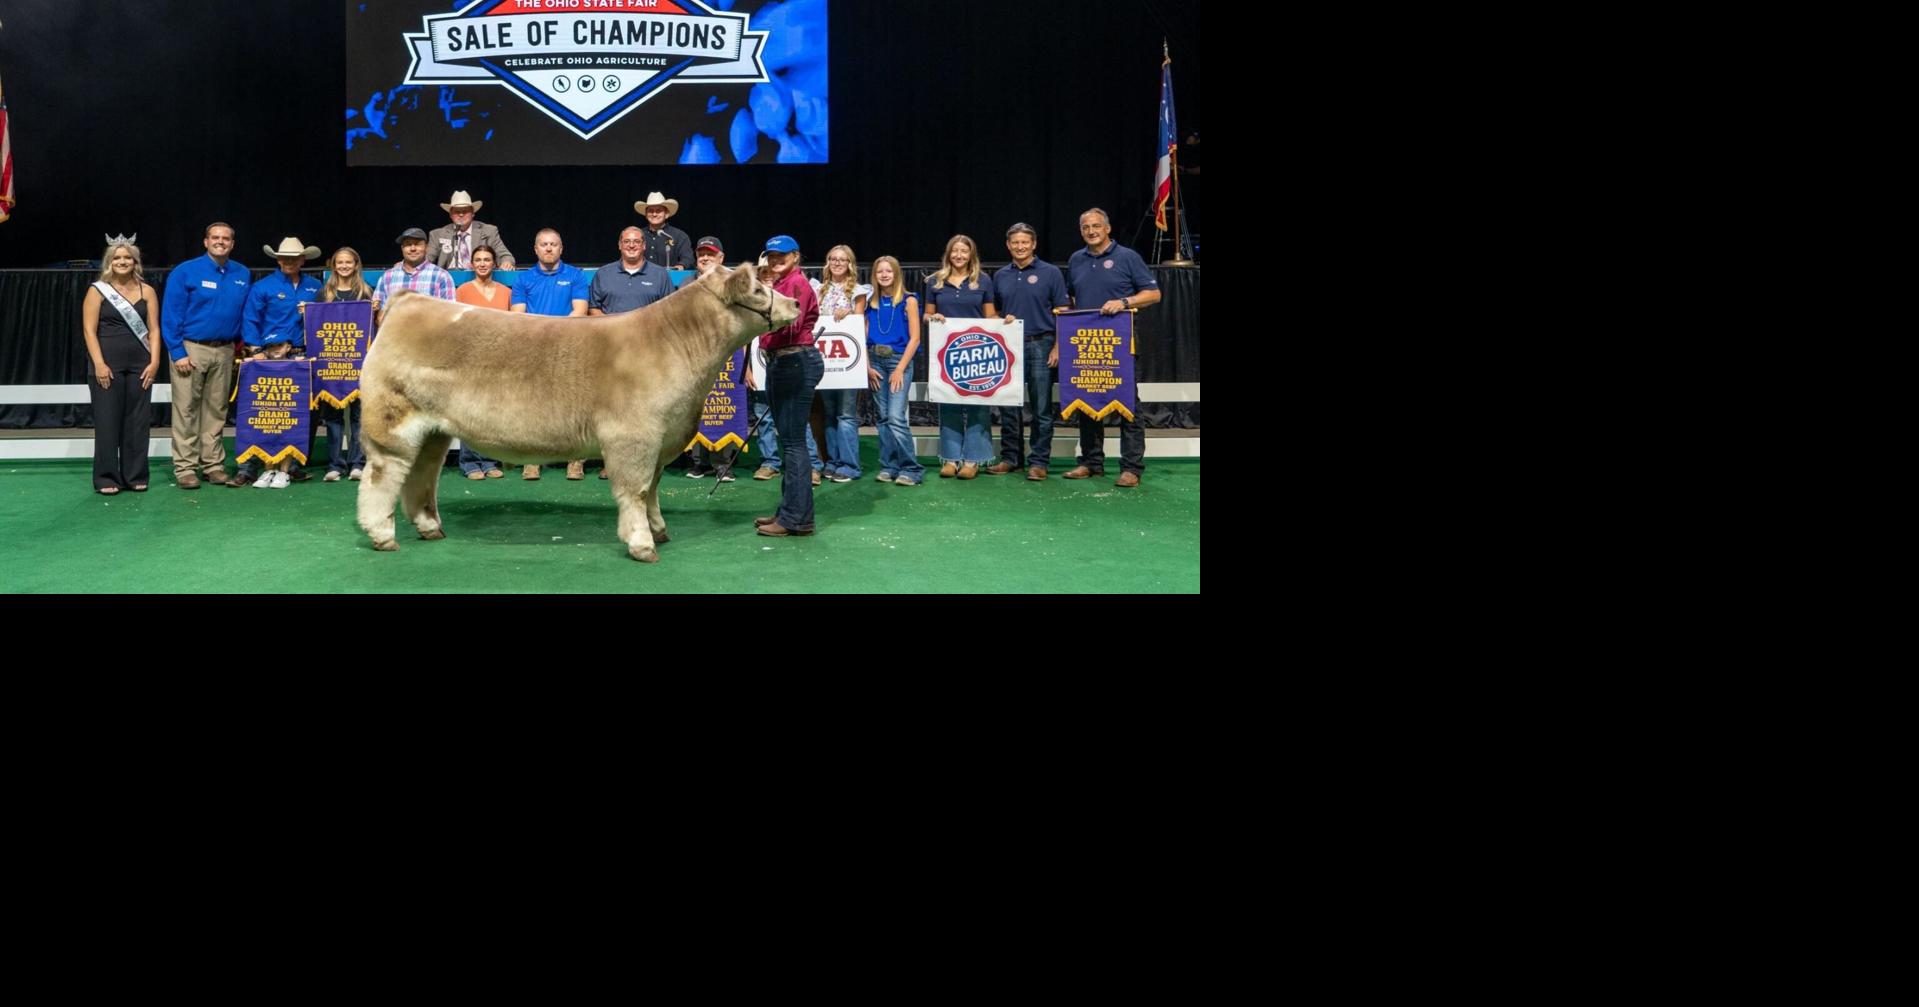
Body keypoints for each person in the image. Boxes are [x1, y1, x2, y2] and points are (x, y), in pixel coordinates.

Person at [1060, 208, 1161, 487]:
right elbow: (1071, 298)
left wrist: (1125, 302)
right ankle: (1091, 462)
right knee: (1087, 398)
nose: (1091, 231)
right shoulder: (1076, 259)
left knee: (1128, 403)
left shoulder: (1127, 257)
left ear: (1108, 229)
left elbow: (1153, 294)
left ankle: (1131, 467)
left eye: (1096, 226)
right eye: (1085, 227)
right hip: (1085, 342)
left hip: (1119, 342)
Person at [162, 222, 251, 489]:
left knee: (217, 410)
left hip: (224, 350)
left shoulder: (242, 273)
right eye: (215, 237)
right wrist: (177, 351)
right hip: (191, 348)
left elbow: (244, 313)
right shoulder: (185, 271)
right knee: (186, 408)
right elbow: (171, 314)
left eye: (226, 238)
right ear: (205, 241)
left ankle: (212, 465)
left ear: (232, 244)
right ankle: (185, 468)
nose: (220, 242)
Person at [233, 237, 323, 488]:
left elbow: (325, 319)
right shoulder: (263, 287)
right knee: (260, 410)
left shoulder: (315, 287)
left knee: (300, 412)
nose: (289, 261)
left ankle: (292, 466)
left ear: (303, 259)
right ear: (277, 259)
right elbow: (250, 319)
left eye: (294, 257)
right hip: (269, 356)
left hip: (301, 354)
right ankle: (249, 467)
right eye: (284, 257)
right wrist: (256, 349)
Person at [751, 234, 822, 537]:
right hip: (784, 361)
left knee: (793, 444)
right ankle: (789, 510)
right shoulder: (781, 285)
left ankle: (797, 519)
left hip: (795, 361)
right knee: (790, 442)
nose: (776, 260)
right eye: (771, 256)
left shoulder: (794, 285)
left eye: (782, 255)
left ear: (795, 256)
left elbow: (789, 324)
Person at [988, 222, 1070, 479]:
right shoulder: (1000, 275)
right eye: (1015, 242)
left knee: (1041, 407)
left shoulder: (1051, 273)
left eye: (1025, 242)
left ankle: (1039, 461)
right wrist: (1001, 320)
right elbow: (995, 312)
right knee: (1008, 405)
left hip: (1041, 343)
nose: (1020, 247)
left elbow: (1063, 312)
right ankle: (1011, 458)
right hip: (1009, 346)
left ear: (1033, 244)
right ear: (1008, 245)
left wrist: (1058, 346)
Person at [81, 236, 162, 494]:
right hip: (107, 365)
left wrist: (155, 361)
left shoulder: (146, 291)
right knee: (107, 422)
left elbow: (155, 330)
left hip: (141, 365)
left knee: (137, 421)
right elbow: (88, 330)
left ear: (135, 261)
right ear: (109, 262)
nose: (122, 261)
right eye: (117, 258)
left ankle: (135, 475)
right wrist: (99, 364)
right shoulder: (97, 291)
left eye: (127, 257)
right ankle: (106, 477)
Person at [510, 227, 589, 479]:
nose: (548, 248)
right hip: (533, 348)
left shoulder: (576, 276)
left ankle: (575, 460)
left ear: (561, 248)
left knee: (574, 404)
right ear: (535, 249)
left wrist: (555, 335)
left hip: (569, 348)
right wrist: (542, 337)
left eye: (553, 244)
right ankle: (532, 459)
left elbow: (580, 311)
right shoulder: (523, 279)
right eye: (543, 244)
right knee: (533, 404)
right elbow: (518, 316)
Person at [923, 233, 997, 479]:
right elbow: (927, 315)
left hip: (978, 353)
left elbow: (990, 316)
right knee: (949, 403)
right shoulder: (934, 281)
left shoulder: (984, 281)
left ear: (971, 255)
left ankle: (974, 460)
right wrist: (933, 318)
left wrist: (1005, 321)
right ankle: (951, 458)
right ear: (948, 254)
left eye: (964, 251)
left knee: (977, 405)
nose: (959, 255)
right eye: (955, 251)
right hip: (948, 353)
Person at [811, 244, 870, 482]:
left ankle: (849, 465)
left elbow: (859, 322)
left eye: (842, 260)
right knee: (830, 413)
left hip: (847, 361)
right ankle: (833, 462)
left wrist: (850, 314)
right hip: (825, 360)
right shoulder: (818, 289)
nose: (836, 263)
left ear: (849, 264)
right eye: (832, 259)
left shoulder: (857, 290)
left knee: (846, 414)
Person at [863, 255, 922, 486]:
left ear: (897, 274)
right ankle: (889, 465)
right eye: (880, 272)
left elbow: (915, 339)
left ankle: (912, 468)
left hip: (899, 361)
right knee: (883, 417)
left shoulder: (908, 301)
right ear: (875, 276)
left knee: (897, 417)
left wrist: (900, 368)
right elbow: (863, 337)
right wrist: (867, 366)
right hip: (875, 361)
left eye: (889, 271)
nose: (885, 275)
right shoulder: (870, 303)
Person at [451, 245, 511, 479]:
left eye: (487, 259)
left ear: (494, 263)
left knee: (493, 412)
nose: (483, 263)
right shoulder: (463, 291)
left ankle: (490, 461)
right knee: (470, 412)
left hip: (499, 359)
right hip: (471, 359)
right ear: (472, 264)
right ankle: (470, 462)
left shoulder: (505, 291)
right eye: (478, 260)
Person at [316, 246, 374, 482]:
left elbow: (374, 327)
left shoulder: (366, 292)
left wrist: (376, 311)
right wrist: (306, 312)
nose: (344, 266)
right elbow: (316, 325)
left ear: (356, 264)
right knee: (333, 416)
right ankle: (334, 464)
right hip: (332, 364)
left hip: (359, 363)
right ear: (334, 266)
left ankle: (358, 463)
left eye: (348, 262)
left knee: (360, 416)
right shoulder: (324, 293)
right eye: (340, 262)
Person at [685, 236, 738, 481]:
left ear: (721, 258)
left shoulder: (732, 283)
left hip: (726, 353)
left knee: (723, 405)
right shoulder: (687, 284)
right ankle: (699, 461)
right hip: (693, 354)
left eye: (710, 254)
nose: (705, 257)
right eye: (701, 254)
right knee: (696, 405)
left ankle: (722, 463)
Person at [372, 226, 456, 324]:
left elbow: (450, 314)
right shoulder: (388, 277)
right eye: (408, 244)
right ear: (402, 248)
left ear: (426, 247)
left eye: (417, 244)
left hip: (429, 337)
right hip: (395, 336)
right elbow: (378, 315)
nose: (413, 248)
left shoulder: (441, 276)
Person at [427, 190, 516, 270]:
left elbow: (504, 255)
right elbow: (427, 260)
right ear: (450, 214)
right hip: (447, 279)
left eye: (465, 211)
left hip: (480, 278)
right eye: (457, 211)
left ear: (473, 213)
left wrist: (506, 262)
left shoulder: (488, 231)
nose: (461, 214)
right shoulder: (438, 234)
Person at [632, 191, 694, 269]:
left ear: (667, 214)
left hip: (668, 278)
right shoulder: (638, 234)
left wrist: (680, 266)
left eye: (658, 211)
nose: (654, 214)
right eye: (650, 211)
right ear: (646, 215)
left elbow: (688, 258)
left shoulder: (679, 235)